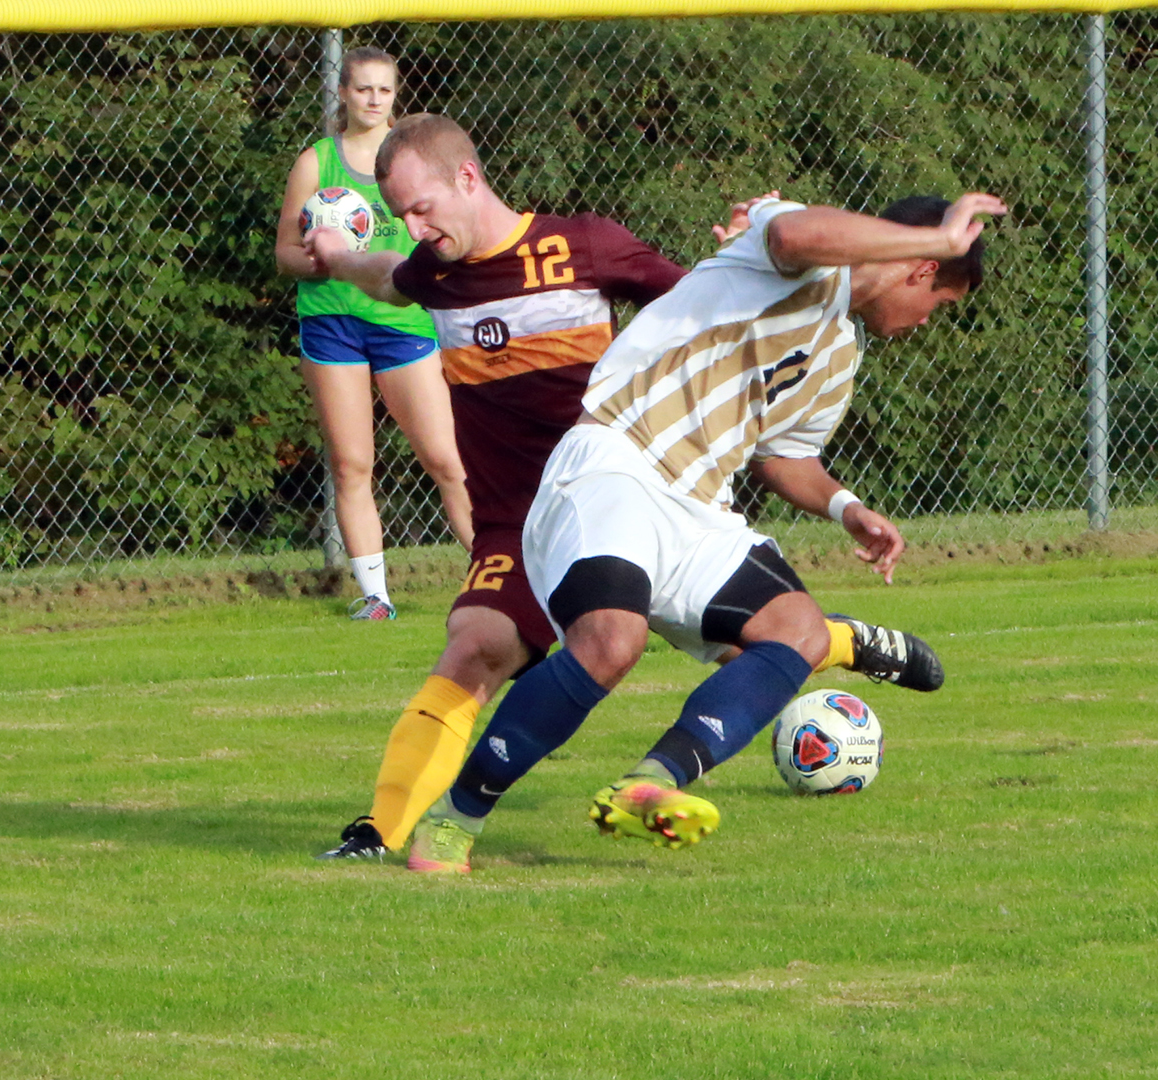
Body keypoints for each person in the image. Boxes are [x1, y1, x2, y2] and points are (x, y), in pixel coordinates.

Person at [302, 115, 946, 868]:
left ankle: (808, 656)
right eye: (401, 215)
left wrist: (741, 251)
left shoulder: (584, 245)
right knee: (484, 646)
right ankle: (384, 834)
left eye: (420, 208)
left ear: (467, 180)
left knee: (746, 637)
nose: (414, 228)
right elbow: (389, 277)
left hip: (639, 486)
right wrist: (344, 260)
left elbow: (701, 308)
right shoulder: (433, 268)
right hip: (529, 511)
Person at [409, 190, 1005, 870]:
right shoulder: (794, 253)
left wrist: (846, 506)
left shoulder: (840, 350)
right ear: (922, 268)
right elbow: (793, 237)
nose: (929, 320)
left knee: (800, 631)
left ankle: (651, 785)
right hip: (617, 461)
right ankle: (454, 819)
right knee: (611, 641)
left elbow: (785, 457)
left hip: (699, 508)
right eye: (941, 303)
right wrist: (939, 239)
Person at [275, 47, 473, 621]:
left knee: (445, 459)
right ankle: (375, 596)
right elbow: (285, 254)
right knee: (352, 463)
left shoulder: (411, 157)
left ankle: (498, 573)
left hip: (402, 320)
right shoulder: (316, 162)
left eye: (383, 91)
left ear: (395, 96)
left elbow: (448, 232)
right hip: (333, 323)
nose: (373, 100)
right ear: (342, 93)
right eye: (362, 89)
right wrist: (329, 258)